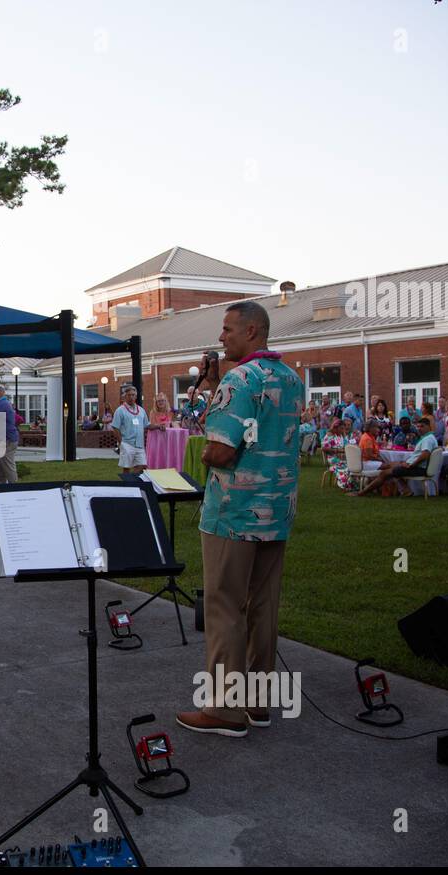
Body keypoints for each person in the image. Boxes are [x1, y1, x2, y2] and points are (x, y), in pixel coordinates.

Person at [175, 301, 302, 738]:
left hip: (234, 513)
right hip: (277, 508)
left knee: (225, 605)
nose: (221, 337)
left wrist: (205, 452)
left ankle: (225, 711)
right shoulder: (290, 378)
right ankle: (257, 703)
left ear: (252, 331)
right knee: (263, 606)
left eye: (228, 330)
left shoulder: (240, 378)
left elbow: (222, 449)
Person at [354, 416, 438, 497]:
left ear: (429, 427)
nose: (419, 428)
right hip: (417, 467)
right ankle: (405, 490)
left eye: (422, 426)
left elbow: (425, 454)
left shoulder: (428, 439)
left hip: (418, 468)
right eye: (418, 426)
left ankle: (361, 493)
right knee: (394, 466)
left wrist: (412, 465)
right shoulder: (429, 438)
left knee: (385, 473)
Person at [334, 419, 384, 491]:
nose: (347, 427)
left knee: (386, 465)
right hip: (348, 459)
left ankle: (371, 483)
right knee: (386, 466)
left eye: (349, 425)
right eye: (345, 425)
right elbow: (368, 455)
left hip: (354, 459)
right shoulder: (366, 438)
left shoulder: (355, 434)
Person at [111, 384, 149, 475]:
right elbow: (115, 427)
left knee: (143, 466)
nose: (131, 397)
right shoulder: (120, 410)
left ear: (136, 396)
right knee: (127, 468)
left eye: (133, 395)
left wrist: (158, 426)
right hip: (127, 443)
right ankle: (127, 485)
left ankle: (132, 481)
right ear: (125, 397)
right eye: (129, 395)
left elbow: (146, 425)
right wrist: (121, 443)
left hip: (139, 444)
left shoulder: (141, 410)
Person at [0, 384, 19, 484]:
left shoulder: (2, 404)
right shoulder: (0, 403)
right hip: (3, 439)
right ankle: (0, 491)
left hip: (7, 440)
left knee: (8, 466)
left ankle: (14, 489)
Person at [144, 393, 175, 469]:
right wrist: (160, 425)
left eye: (162, 401)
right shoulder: (153, 412)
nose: (160, 402)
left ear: (166, 401)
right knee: (157, 455)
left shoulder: (170, 412)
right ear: (156, 403)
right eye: (158, 401)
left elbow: (173, 424)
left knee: (167, 456)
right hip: (156, 439)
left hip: (167, 438)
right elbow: (151, 425)